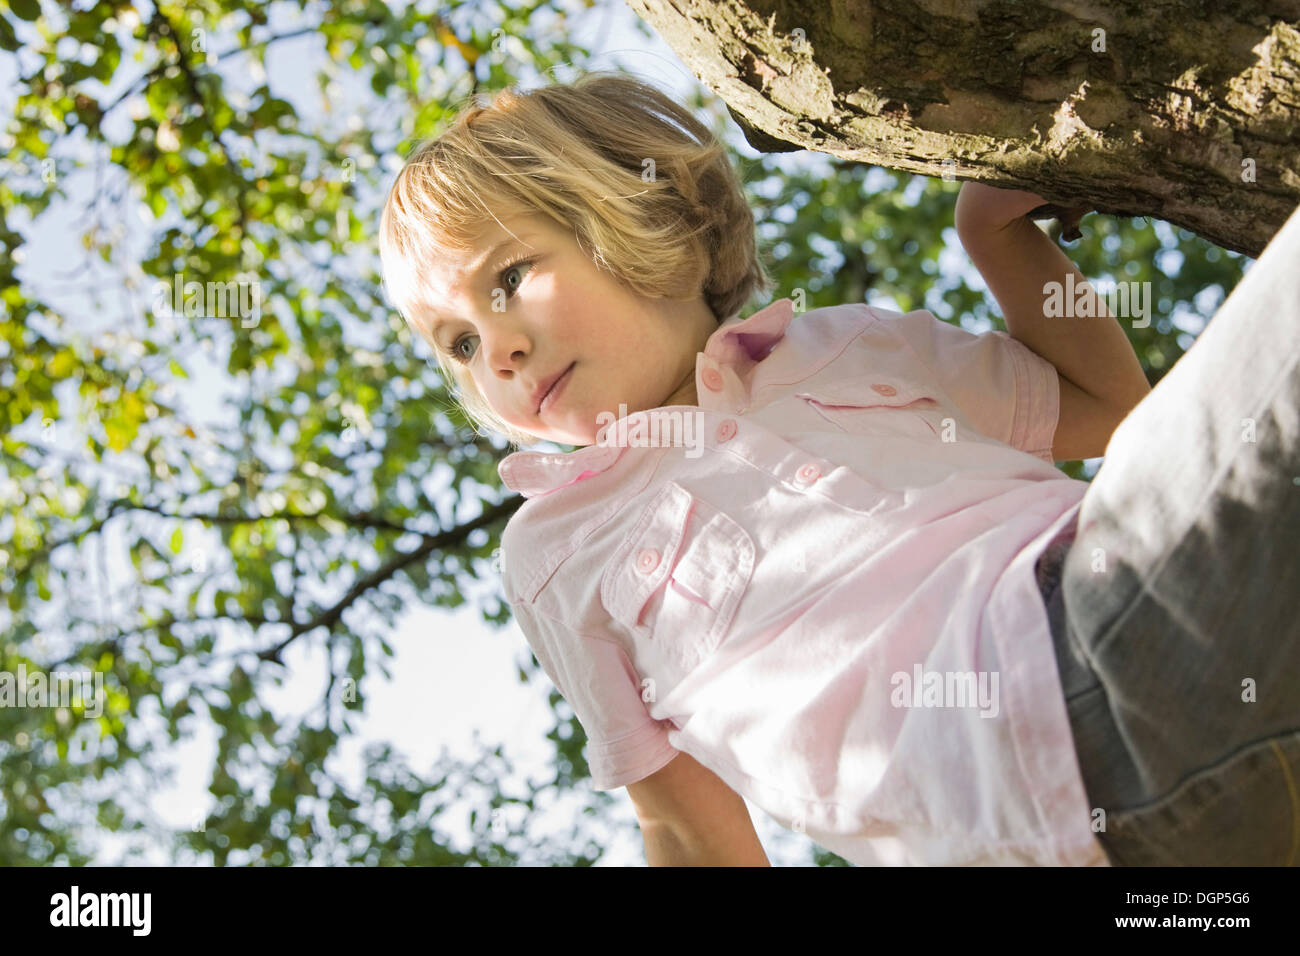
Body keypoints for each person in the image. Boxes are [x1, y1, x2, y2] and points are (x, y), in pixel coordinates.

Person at [377, 69, 1300, 866]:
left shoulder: (844, 344)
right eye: (455, 343)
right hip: (1019, 810)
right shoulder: (559, 548)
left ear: (632, 211)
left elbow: (1106, 408)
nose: (492, 348)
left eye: (506, 281)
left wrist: (997, 237)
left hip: (1120, 620)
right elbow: (697, 838)